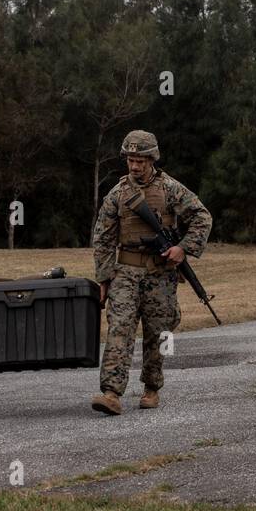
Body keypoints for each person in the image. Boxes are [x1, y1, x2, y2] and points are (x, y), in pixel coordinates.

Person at [90, 130, 212, 415]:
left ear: (152, 159)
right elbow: (104, 238)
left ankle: (152, 386)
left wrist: (183, 248)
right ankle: (111, 392)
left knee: (158, 333)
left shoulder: (171, 189)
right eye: (131, 160)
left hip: (160, 274)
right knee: (119, 330)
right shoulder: (117, 194)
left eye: (141, 161)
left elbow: (202, 217)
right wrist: (104, 278)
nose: (134, 166)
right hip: (126, 271)